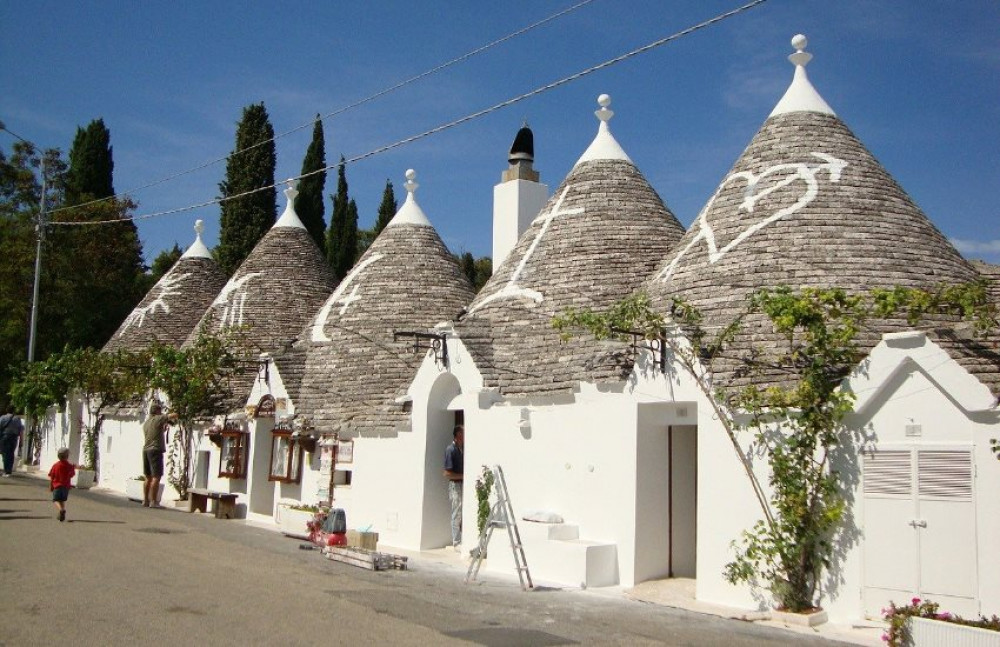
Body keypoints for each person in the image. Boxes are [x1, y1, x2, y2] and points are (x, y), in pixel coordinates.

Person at [142, 404, 176, 508]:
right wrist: (175, 412)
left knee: (148, 477)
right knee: (156, 476)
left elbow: (155, 433)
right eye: (160, 411)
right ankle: (153, 501)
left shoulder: (147, 422)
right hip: (155, 450)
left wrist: (162, 430)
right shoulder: (158, 418)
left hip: (146, 450)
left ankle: (145, 500)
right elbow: (173, 415)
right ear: (157, 411)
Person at [443, 425, 464, 550]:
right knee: (456, 512)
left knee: (461, 511)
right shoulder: (451, 450)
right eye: (463, 433)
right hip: (455, 485)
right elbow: (447, 473)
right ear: (458, 435)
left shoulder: (462, 449)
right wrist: (463, 476)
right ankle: (456, 542)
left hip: (462, 484)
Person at [48, 447, 76, 522]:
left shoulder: (55, 465)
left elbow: (52, 476)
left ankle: (61, 510)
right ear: (67, 456)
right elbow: (72, 474)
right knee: (62, 500)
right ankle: (62, 511)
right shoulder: (69, 466)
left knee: (55, 500)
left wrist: (51, 485)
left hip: (57, 486)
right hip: (66, 487)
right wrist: (73, 468)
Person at [0, 405, 24, 477]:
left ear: (6, 410)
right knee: (11, 454)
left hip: (5, 437)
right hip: (14, 438)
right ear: (14, 411)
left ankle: (6, 471)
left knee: (5, 454)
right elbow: (21, 430)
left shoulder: (3, 418)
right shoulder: (17, 419)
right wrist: (21, 440)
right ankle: (9, 471)